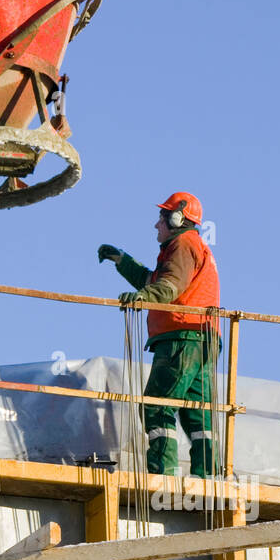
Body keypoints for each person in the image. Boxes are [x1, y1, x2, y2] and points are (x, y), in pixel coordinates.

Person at [98, 193, 220, 476]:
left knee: (156, 405)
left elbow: (168, 287)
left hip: (181, 337)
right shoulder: (189, 248)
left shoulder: (183, 244)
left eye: (162, 218)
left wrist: (142, 298)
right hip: (201, 338)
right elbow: (156, 280)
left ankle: (162, 472)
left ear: (177, 219)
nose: (156, 225)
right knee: (196, 412)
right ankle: (208, 474)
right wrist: (122, 260)